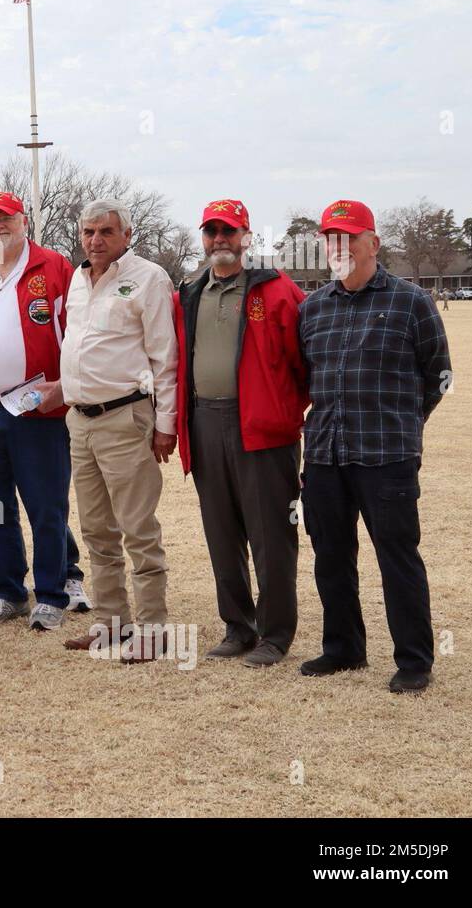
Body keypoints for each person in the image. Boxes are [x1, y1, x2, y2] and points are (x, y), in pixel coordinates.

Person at [297, 200, 451, 693]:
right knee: (330, 555)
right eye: (330, 239)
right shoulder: (313, 307)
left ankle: (413, 660)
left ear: (372, 243)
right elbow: (306, 376)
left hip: (387, 456)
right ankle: (343, 648)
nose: (338, 248)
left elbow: (439, 375)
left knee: (397, 556)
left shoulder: (411, 301)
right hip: (325, 454)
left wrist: (405, 422)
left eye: (348, 238)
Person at [38, 199, 177, 662]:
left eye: (106, 232)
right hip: (79, 420)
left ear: (127, 235)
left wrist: (164, 425)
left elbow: (164, 358)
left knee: (138, 528)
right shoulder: (77, 280)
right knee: (97, 529)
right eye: (89, 232)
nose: (96, 241)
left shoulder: (148, 278)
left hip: (125, 417)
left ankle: (154, 629)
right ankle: (111, 624)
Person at [174, 199, 308, 667]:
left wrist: (281, 411)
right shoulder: (191, 291)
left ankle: (275, 634)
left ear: (247, 235)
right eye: (210, 231)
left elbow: (304, 364)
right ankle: (238, 626)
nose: (219, 239)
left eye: (228, 231)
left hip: (262, 428)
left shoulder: (277, 291)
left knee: (271, 534)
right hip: (205, 422)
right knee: (221, 531)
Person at [0, 192, 88, 631]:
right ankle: (9, 591)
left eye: (4, 219)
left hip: (36, 409)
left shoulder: (53, 266)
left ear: (23, 221)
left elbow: (77, 334)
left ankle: (51, 594)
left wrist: (65, 388)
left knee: (45, 505)